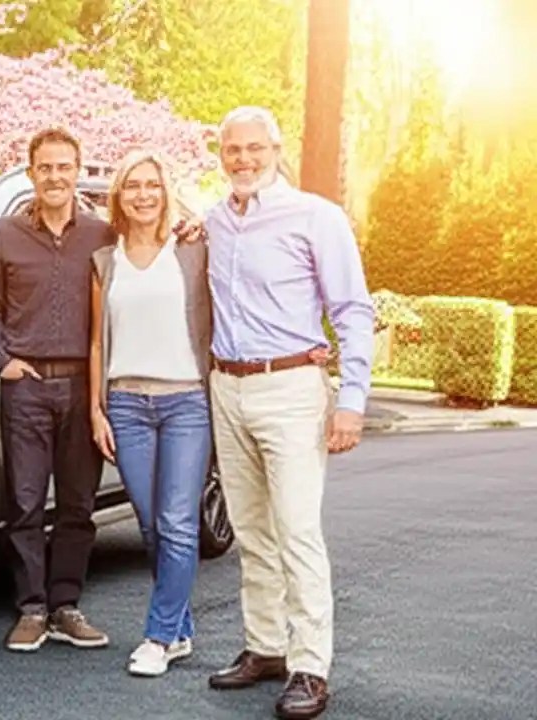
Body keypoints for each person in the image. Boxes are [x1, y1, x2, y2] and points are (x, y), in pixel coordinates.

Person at [203, 106, 374, 720]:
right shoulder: (213, 221)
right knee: (250, 531)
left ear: (276, 151)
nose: (243, 160)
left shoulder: (316, 218)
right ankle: (266, 646)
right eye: (232, 150)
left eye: (255, 149)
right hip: (228, 387)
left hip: (293, 387)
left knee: (297, 530)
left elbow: (353, 310)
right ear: (220, 154)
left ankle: (309, 666)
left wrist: (351, 402)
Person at [0, 127, 111, 652]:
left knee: (78, 501)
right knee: (26, 502)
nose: (55, 176)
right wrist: (2, 360)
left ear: (78, 171)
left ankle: (66, 606)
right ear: (32, 173)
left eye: (64, 166)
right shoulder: (4, 234)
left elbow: (150, 253)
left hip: (82, 387)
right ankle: (31, 609)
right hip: (26, 387)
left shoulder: (102, 236)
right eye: (45, 167)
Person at [86, 149, 213, 676]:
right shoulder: (105, 262)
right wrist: (97, 409)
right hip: (126, 404)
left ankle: (158, 637)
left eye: (152, 185)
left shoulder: (192, 250)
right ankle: (180, 629)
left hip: (186, 401)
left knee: (179, 524)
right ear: (120, 196)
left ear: (166, 192)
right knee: (151, 526)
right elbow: (96, 343)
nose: (143, 194)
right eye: (133, 186)